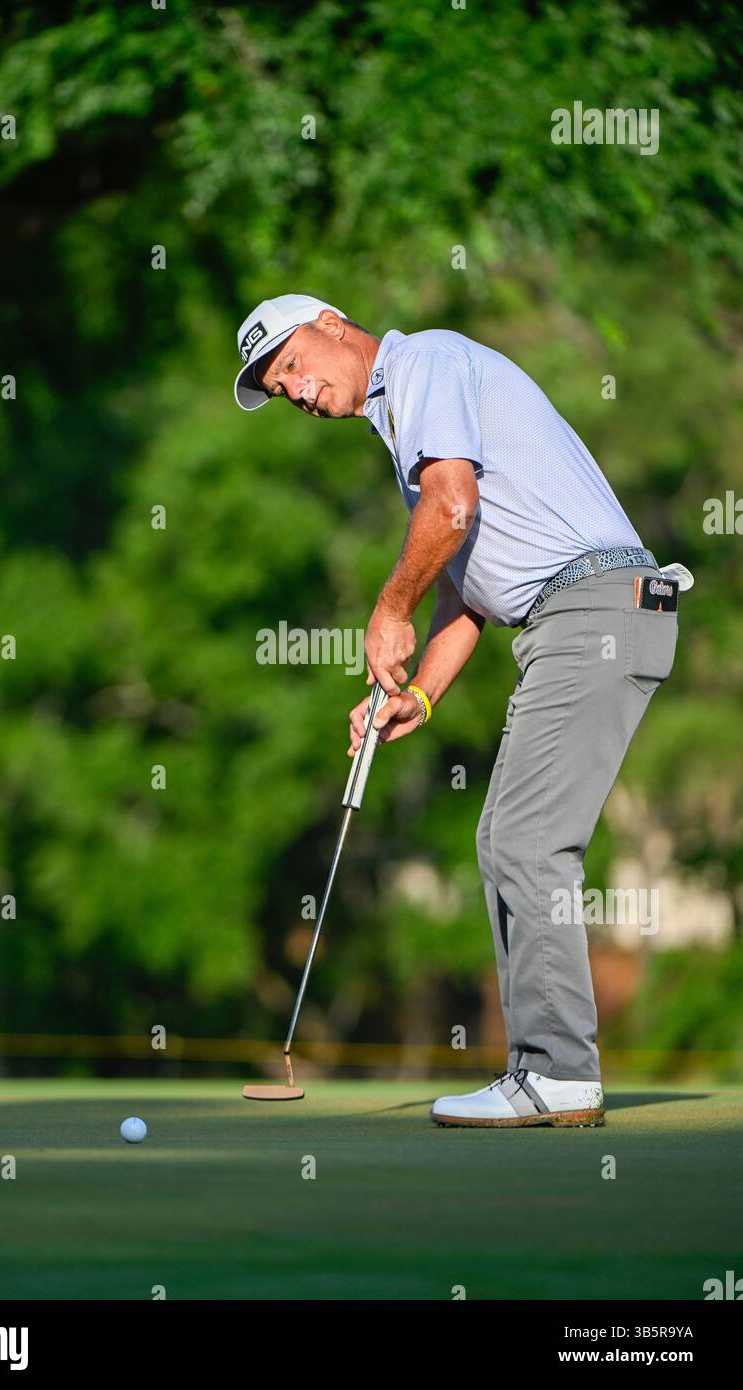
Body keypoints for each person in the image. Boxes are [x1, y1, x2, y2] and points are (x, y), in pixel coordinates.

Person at [234, 293, 681, 1128]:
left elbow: (452, 510)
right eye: (275, 385)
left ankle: (558, 1074)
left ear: (332, 323)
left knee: (526, 839)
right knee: (504, 837)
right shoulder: (404, 422)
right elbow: (464, 598)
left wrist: (385, 608)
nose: (291, 389)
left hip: (595, 615)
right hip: (580, 618)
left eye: (290, 363)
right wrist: (419, 696)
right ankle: (543, 1071)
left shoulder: (424, 362)